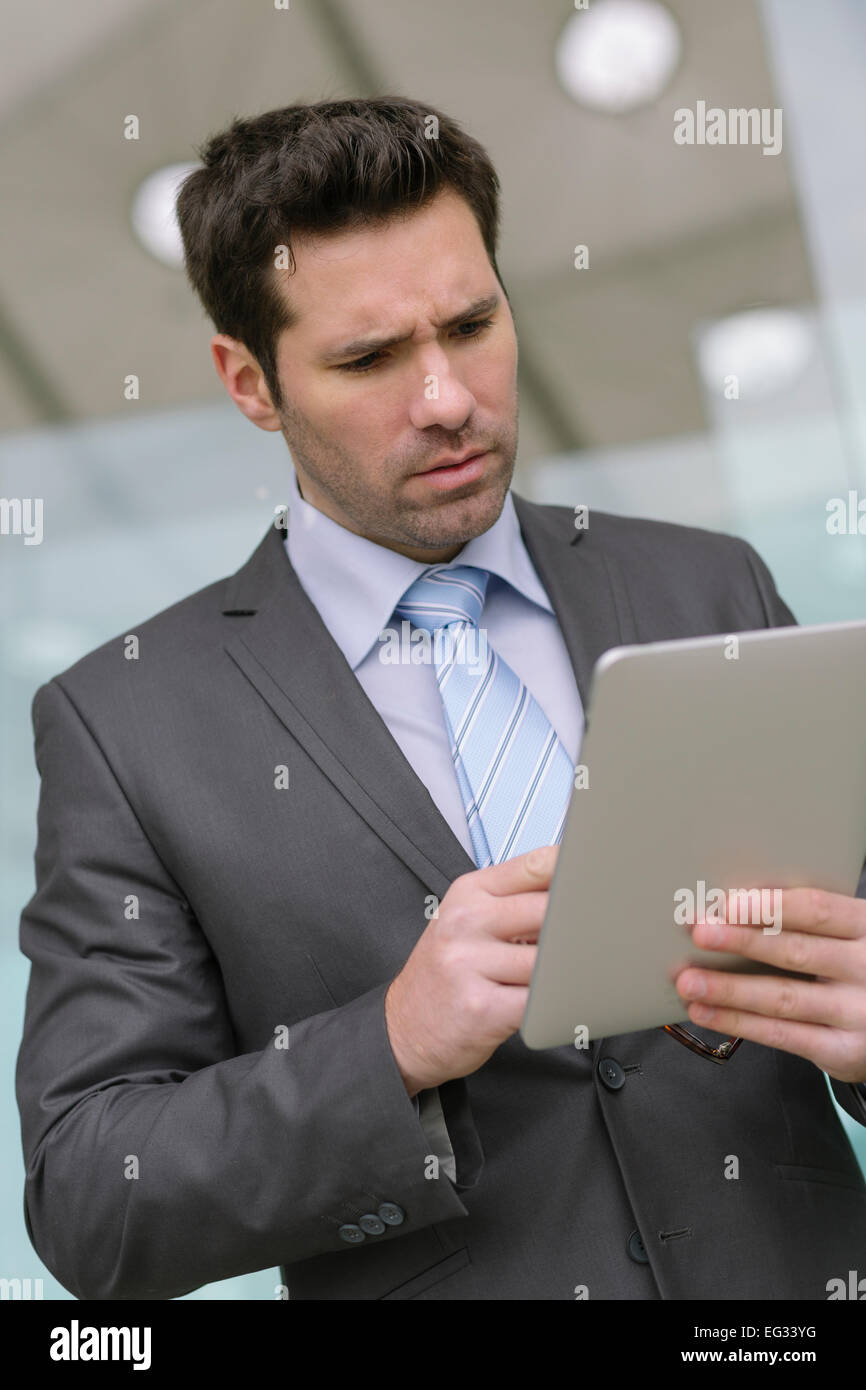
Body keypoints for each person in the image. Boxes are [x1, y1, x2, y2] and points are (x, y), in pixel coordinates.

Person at [16, 97, 866, 1301]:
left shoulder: (705, 584)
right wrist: (390, 1043)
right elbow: (92, 1196)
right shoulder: (128, 724)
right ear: (249, 383)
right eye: (366, 358)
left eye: (471, 324)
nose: (445, 398)